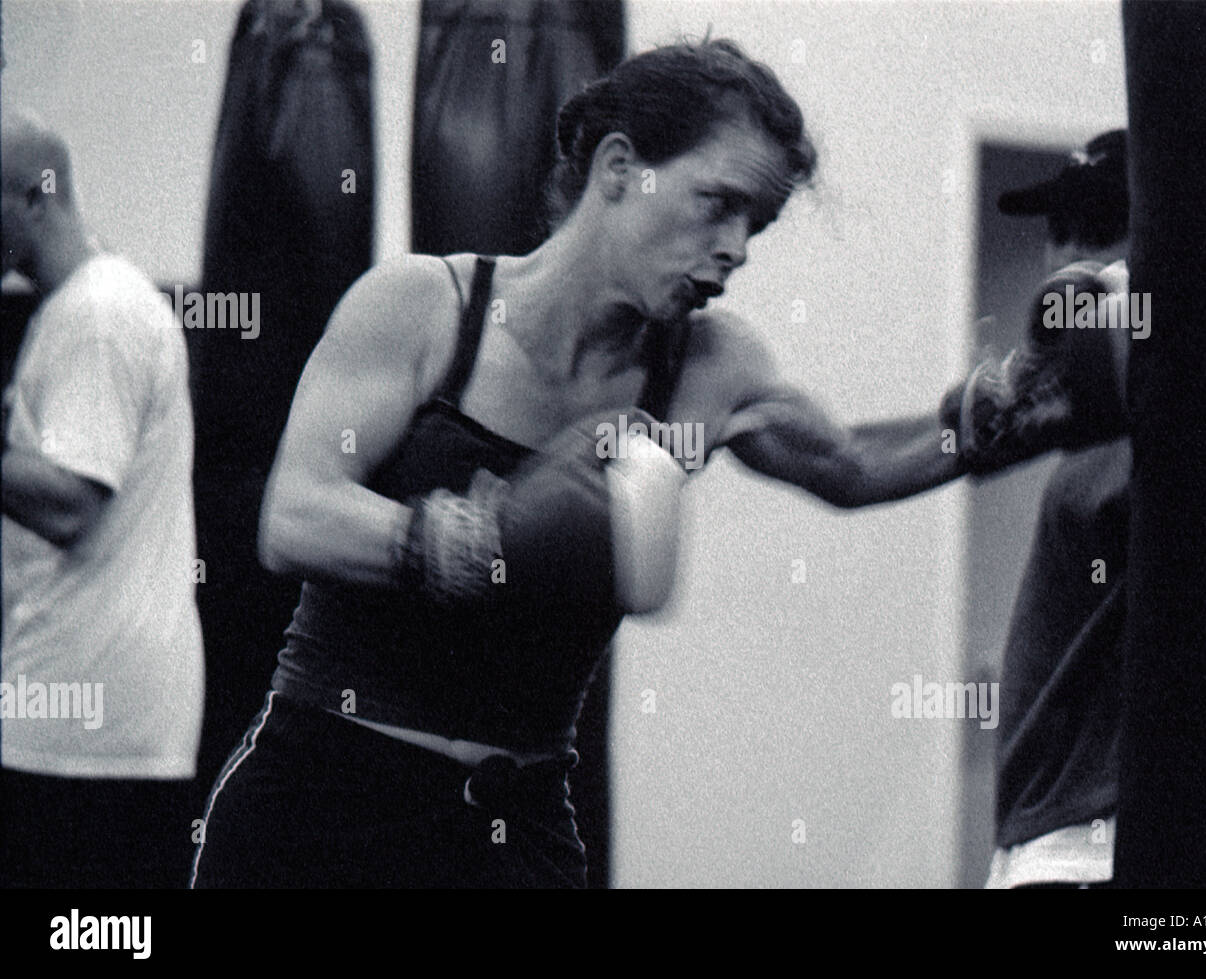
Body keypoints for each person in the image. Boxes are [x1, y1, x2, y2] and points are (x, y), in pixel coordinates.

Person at [190, 40, 1114, 889]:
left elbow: (853, 461)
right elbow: (296, 514)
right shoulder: (427, 308)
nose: (738, 249)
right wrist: (472, 538)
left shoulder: (707, 369)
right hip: (320, 804)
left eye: (758, 221)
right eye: (719, 202)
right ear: (620, 169)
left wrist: (1006, 412)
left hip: (512, 828)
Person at [0, 112, 205, 888]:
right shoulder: (82, 306)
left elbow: (69, 505)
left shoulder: (97, 313)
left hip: (87, 728)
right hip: (80, 715)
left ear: (36, 197)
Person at [981, 130, 1133, 888]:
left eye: (1099, 233)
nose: (1065, 257)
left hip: (1092, 848)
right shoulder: (1092, 429)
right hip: (1042, 839)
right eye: (1058, 234)